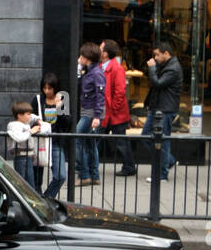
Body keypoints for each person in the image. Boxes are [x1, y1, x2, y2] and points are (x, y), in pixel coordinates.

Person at [141, 42, 183, 184]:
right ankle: (169, 161)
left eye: (158, 54)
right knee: (146, 137)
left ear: (166, 54)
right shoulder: (165, 65)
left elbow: (158, 83)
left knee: (162, 141)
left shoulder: (173, 68)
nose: (156, 57)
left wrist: (152, 68)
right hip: (157, 107)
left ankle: (162, 174)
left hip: (165, 109)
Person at [100, 39, 137, 177]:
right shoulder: (103, 66)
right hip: (107, 111)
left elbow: (120, 91)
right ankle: (86, 165)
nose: (98, 50)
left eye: (101, 48)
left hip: (115, 113)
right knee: (95, 138)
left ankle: (129, 166)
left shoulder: (117, 68)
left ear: (105, 53)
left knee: (121, 142)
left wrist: (114, 108)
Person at [35, 73, 70, 198]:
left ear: (55, 87)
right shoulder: (38, 100)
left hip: (55, 141)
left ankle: (46, 199)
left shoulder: (62, 99)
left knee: (60, 176)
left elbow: (66, 123)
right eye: (44, 88)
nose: (47, 91)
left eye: (50, 88)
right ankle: (37, 202)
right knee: (36, 179)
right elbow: (30, 117)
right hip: (40, 141)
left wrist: (59, 107)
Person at [75, 42, 105, 187]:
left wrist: (97, 117)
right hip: (88, 110)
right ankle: (94, 176)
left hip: (90, 112)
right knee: (90, 144)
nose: (79, 57)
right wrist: (80, 69)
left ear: (87, 57)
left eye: (81, 55)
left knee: (77, 139)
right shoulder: (90, 71)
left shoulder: (96, 73)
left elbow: (100, 95)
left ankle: (85, 175)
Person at [6, 101, 43, 186]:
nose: (30, 116)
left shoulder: (25, 123)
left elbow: (33, 117)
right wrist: (31, 131)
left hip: (28, 157)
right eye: (28, 114)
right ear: (19, 115)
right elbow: (18, 137)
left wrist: (39, 120)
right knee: (21, 183)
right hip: (21, 157)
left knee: (30, 183)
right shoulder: (14, 125)